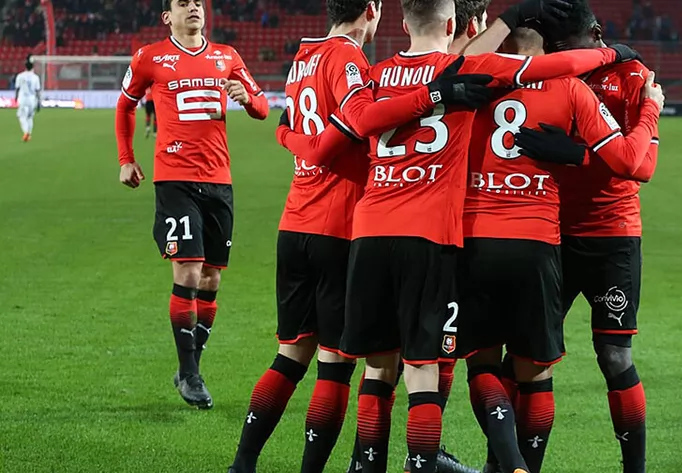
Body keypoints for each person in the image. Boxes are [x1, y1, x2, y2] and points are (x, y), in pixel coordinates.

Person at [334, 0, 638, 469]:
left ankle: (372, 461)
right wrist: (615, 59)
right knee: (531, 375)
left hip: (445, 235)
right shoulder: (565, 86)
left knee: (442, 364)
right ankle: (519, 468)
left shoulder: (464, 73)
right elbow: (632, 163)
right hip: (535, 240)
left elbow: (351, 125)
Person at [228, 0, 494, 470]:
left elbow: (301, 130)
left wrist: (286, 138)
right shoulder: (349, 58)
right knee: (339, 366)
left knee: (290, 356)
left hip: (294, 224)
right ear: (371, 9)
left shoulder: (303, 57)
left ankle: (243, 463)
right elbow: (355, 124)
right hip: (340, 224)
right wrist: (434, 94)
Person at [460, 24, 663, 473]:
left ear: (593, 35)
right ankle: (504, 468)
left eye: (565, 46)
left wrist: (577, 154)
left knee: (614, 355)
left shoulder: (632, 77)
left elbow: (638, 162)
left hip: (613, 234)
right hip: (552, 235)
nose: (558, 53)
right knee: (525, 359)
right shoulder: (547, 75)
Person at [114, 0, 269, 409]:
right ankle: (192, 375)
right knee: (189, 268)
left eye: (198, 2)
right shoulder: (149, 57)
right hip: (174, 179)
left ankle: (188, 367)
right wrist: (126, 159)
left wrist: (247, 99)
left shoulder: (228, 57)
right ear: (168, 16)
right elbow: (125, 105)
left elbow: (263, 108)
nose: (193, 7)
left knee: (211, 281)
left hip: (219, 181)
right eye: (183, 3)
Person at [15, 59, 41, 142]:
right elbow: (37, 91)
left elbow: (17, 88)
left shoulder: (20, 76)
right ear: (32, 67)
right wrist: (39, 102)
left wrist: (16, 97)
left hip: (23, 99)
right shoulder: (36, 77)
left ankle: (26, 133)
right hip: (32, 99)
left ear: (25, 67)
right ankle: (29, 133)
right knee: (30, 117)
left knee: (21, 116)